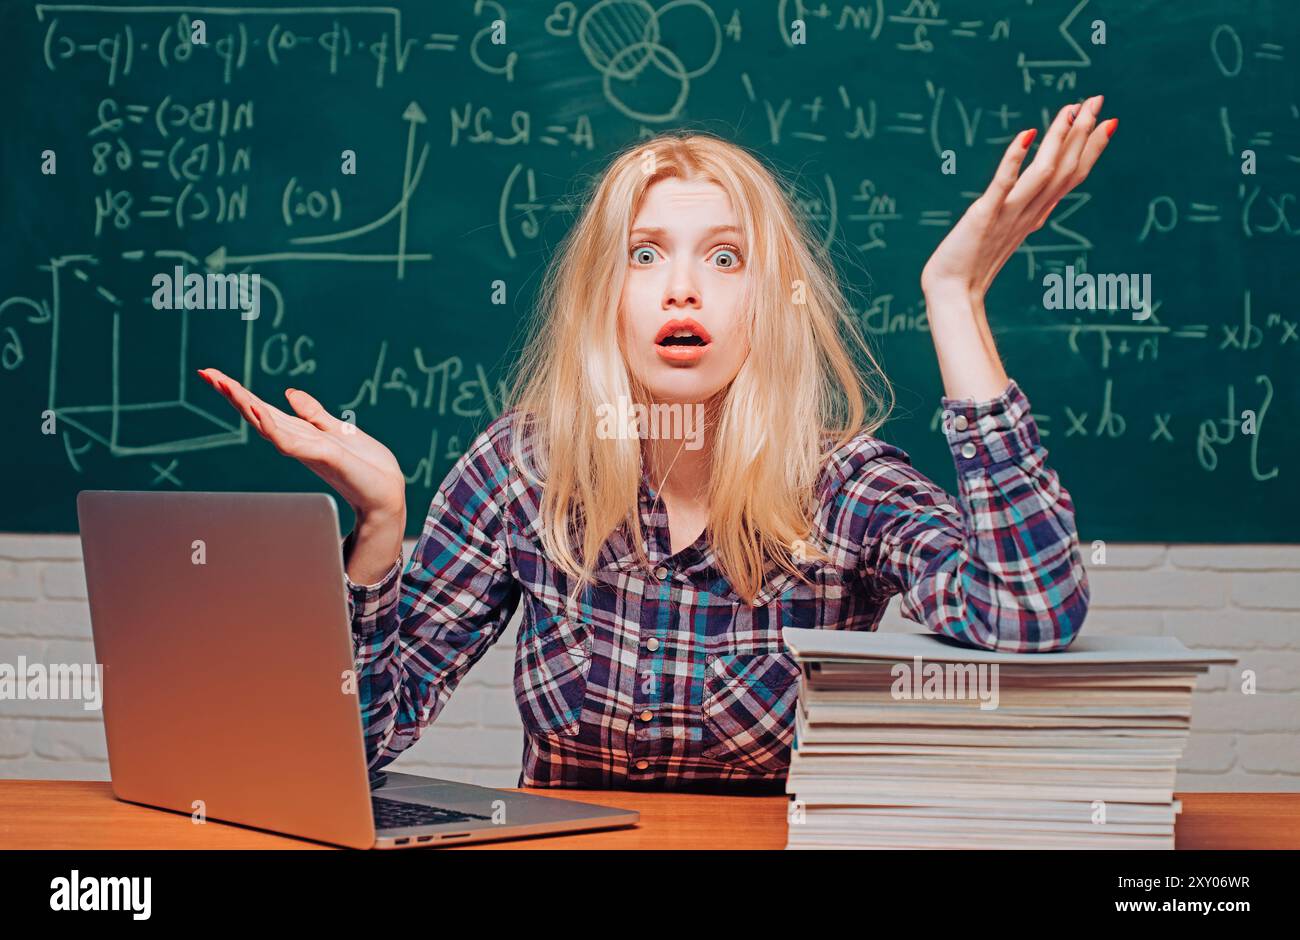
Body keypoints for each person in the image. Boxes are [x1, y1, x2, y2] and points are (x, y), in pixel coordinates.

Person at [198, 97, 1113, 790]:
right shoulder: (524, 471)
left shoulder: (846, 486)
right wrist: (381, 526)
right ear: (608, 300)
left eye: (724, 259)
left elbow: (1025, 617)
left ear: (773, 302)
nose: (683, 290)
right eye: (645, 256)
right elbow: (352, 748)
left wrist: (955, 299)